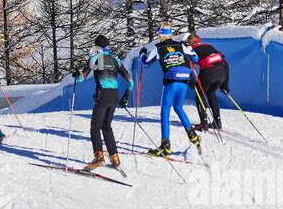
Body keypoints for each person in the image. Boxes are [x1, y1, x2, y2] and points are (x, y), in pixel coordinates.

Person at [71, 35, 132, 171]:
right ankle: (115, 158)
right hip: (114, 95)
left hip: (103, 94)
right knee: (106, 126)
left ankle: (99, 157)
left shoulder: (95, 58)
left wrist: (75, 74)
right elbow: (130, 80)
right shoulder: (116, 59)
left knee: (95, 126)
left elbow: (81, 78)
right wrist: (126, 96)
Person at [141, 27, 203, 158]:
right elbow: (196, 59)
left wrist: (142, 53)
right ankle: (192, 135)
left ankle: (165, 146)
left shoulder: (158, 47)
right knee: (178, 107)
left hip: (172, 78)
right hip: (184, 78)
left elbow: (146, 62)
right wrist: (189, 49)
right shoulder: (181, 45)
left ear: (160, 35)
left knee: (165, 110)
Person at [186, 32, 229, 132]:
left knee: (200, 96)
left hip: (208, 72)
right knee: (211, 93)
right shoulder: (209, 46)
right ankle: (217, 122)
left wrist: (191, 82)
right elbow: (225, 64)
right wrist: (225, 84)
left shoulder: (191, 50)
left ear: (190, 42)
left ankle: (204, 123)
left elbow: (189, 66)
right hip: (222, 72)